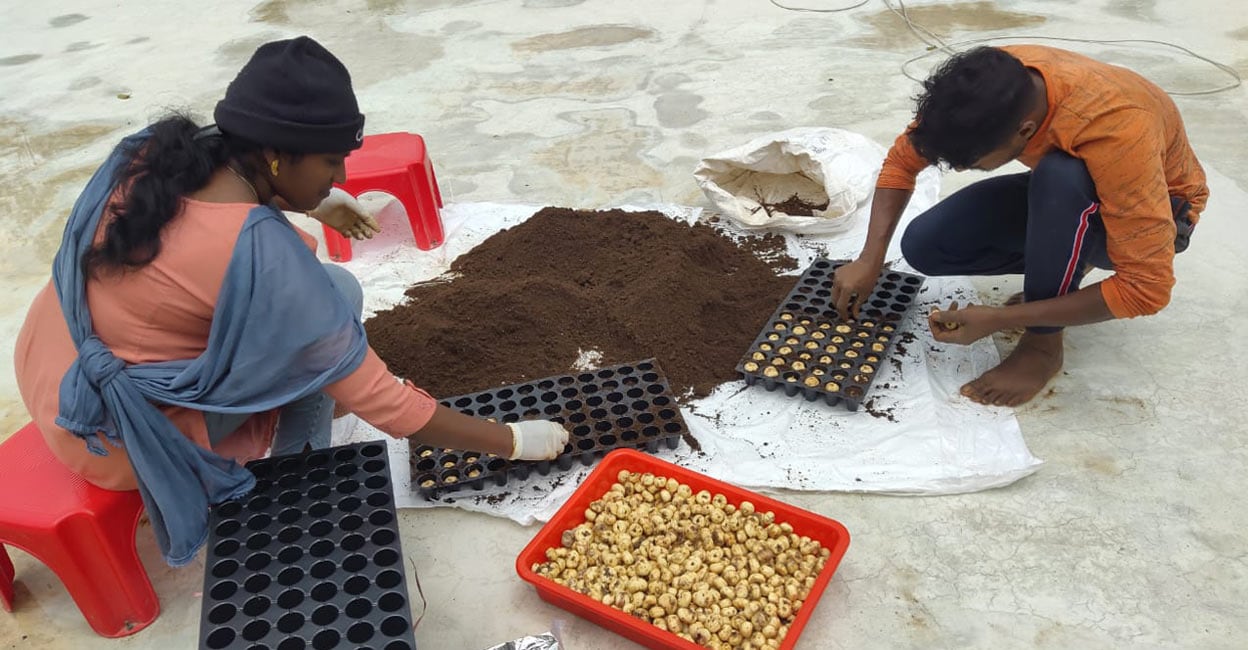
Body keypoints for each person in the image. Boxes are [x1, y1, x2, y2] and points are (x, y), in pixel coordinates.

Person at [13, 36, 568, 565]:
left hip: (51, 363)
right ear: (275, 156)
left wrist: (314, 200)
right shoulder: (260, 256)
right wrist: (512, 440)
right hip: (113, 432)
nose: (342, 175)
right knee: (318, 370)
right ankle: (291, 486)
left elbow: (202, 240)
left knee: (341, 290)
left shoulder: (159, 156)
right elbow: (391, 406)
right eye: (330, 163)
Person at [832, 45, 1207, 407]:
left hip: (1156, 211)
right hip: (1082, 183)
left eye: (972, 162)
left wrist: (1002, 319)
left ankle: (1043, 347)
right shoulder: (988, 84)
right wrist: (869, 258)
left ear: (1025, 131)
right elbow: (901, 164)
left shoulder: (1117, 130)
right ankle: (1069, 255)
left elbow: (1146, 290)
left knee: (1061, 177)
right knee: (925, 245)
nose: (960, 169)